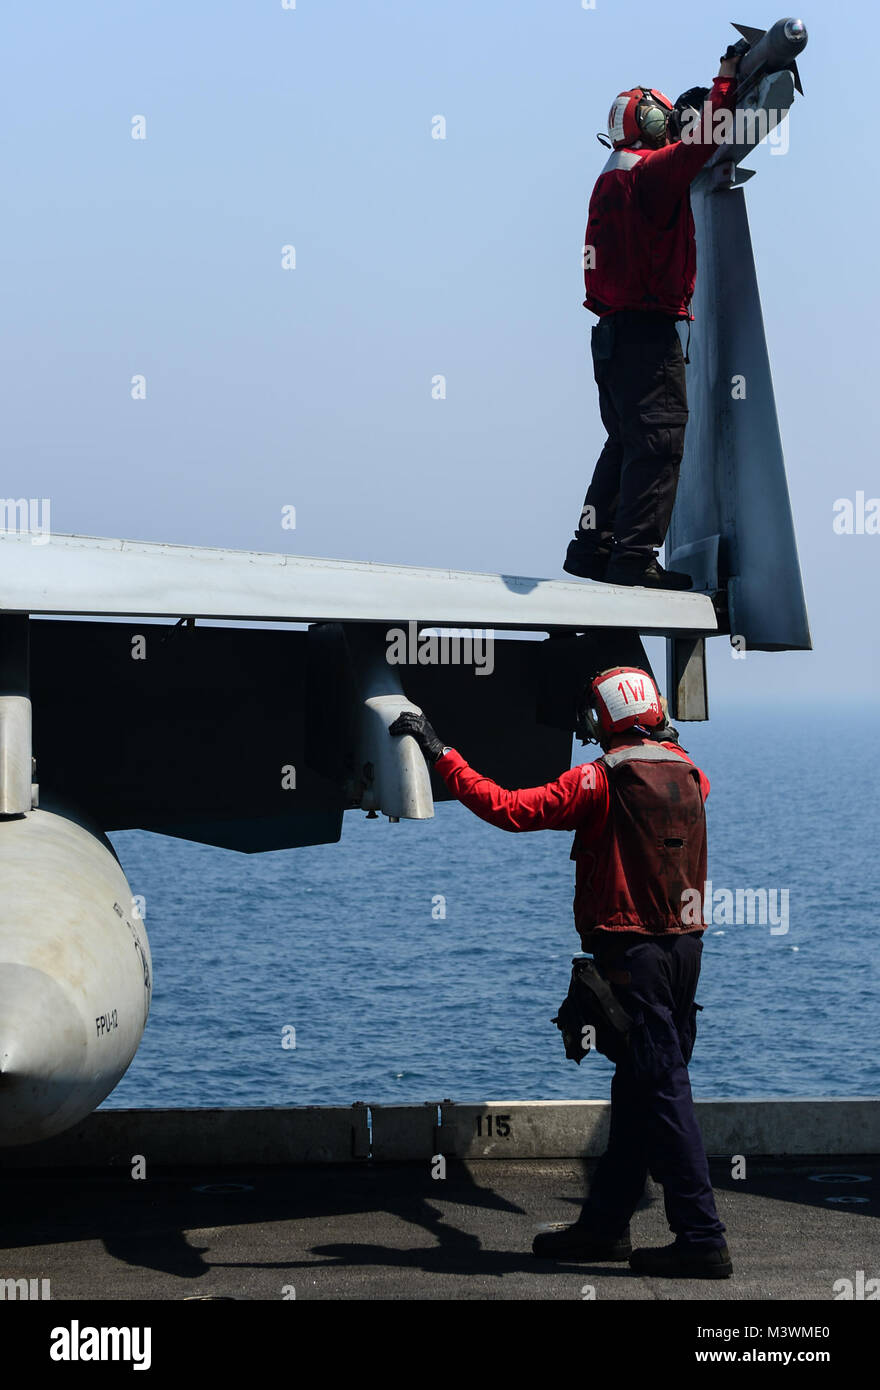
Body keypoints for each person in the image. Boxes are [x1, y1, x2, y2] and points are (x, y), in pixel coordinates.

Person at [389, 669, 731, 1279]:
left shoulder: (600, 781)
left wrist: (440, 752)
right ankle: (604, 1227)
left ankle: (702, 1238)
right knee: (637, 1092)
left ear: (606, 718)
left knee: (663, 1091)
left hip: (633, 957)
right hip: (686, 952)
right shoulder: (689, 771)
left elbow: (509, 809)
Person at [564, 51, 741, 591]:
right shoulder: (651, 175)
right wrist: (725, 86)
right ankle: (634, 556)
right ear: (655, 124)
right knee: (659, 442)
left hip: (612, 336)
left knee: (623, 441)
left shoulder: (612, 175)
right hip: (646, 335)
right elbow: (701, 146)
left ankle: (592, 547)